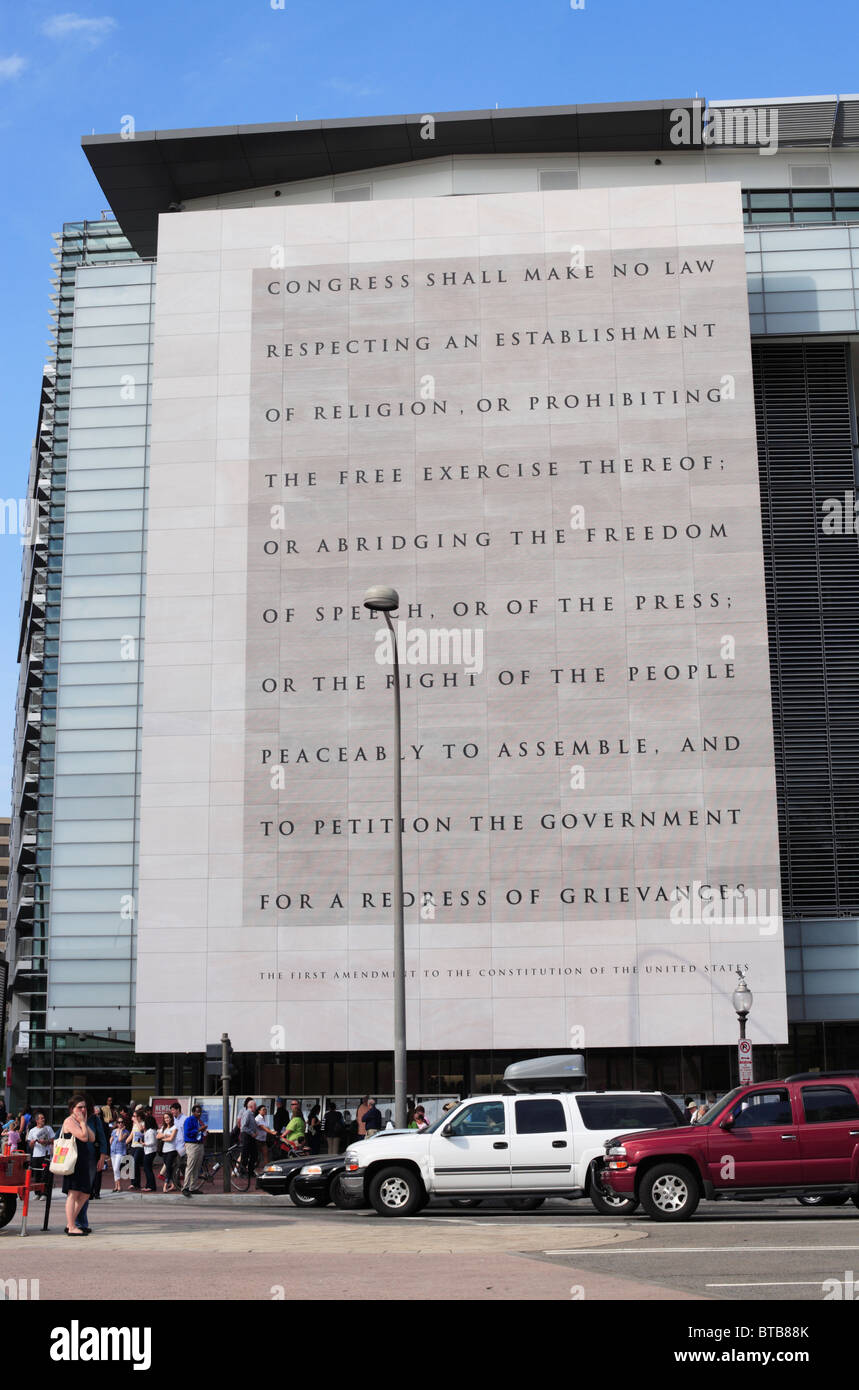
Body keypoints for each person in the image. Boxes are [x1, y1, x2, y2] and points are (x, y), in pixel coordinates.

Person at [60, 1093, 96, 1236]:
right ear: (72, 1108)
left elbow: (92, 1138)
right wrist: (82, 1123)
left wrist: (84, 1122)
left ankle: (71, 1223)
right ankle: (72, 1226)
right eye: (80, 1107)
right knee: (73, 1193)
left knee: (86, 1193)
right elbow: (83, 1137)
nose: (83, 1110)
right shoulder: (69, 1121)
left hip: (82, 1161)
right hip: (72, 1161)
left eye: (84, 1107)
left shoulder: (81, 1121)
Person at [181, 1104, 207, 1197]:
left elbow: (200, 1132)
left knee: (197, 1166)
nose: (199, 1113)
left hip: (199, 1144)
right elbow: (188, 1132)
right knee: (190, 1166)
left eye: (200, 1112)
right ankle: (185, 1187)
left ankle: (193, 1187)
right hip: (192, 1145)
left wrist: (205, 1132)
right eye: (197, 1112)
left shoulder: (199, 1120)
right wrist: (200, 1129)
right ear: (193, 1112)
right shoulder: (189, 1120)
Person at [160, 1103, 184, 1192]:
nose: (166, 1119)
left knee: (170, 1167)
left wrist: (163, 1137)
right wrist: (165, 1136)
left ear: (171, 1119)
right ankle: (174, 1184)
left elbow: (171, 1138)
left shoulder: (175, 1127)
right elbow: (157, 1136)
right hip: (164, 1151)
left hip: (173, 1150)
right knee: (170, 1168)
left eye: (168, 1118)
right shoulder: (164, 1127)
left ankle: (165, 1185)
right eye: (165, 1118)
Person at [238, 1099, 259, 1178]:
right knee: (245, 1154)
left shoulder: (252, 1114)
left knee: (254, 1154)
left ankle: (250, 1171)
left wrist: (254, 1132)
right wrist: (252, 1133)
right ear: (251, 1106)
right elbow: (243, 1127)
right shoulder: (247, 1113)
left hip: (251, 1137)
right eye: (255, 1106)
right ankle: (242, 1172)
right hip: (246, 1136)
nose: (256, 1107)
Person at [110, 1114, 130, 1191]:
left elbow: (120, 1139)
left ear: (124, 1123)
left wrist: (121, 1130)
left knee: (116, 1168)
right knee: (115, 1169)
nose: (120, 1124)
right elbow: (110, 1140)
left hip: (120, 1152)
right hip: (113, 1151)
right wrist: (111, 1143)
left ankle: (119, 1186)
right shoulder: (114, 1131)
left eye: (121, 1122)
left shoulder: (126, 1132)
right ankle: (116, 1186)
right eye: (118, 1122)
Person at [128, 1107, 146, 1189]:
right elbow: (132, 1134)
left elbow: (141, 1130)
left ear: (139, 1117)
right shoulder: (134, 1124)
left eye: (135, 1116)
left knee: (135, 1163)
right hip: (133, 1146)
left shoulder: (143, 1123)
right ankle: (133, 1183)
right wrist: (124, 1142)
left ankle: (136, 1183)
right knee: (132, 1164)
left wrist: (136, 1121)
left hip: (140, 1146)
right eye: (133, 1116)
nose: (133, 1117)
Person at [142, 1110, 158, 1192]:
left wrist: (144, 1144)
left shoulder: (151, 1131)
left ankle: (151, 1186)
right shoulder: (152, 1130)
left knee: (147, 1169)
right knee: (147, 1168)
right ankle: (149, 1185)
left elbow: (152, 1142)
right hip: (149, 1151)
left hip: (150, 1151)